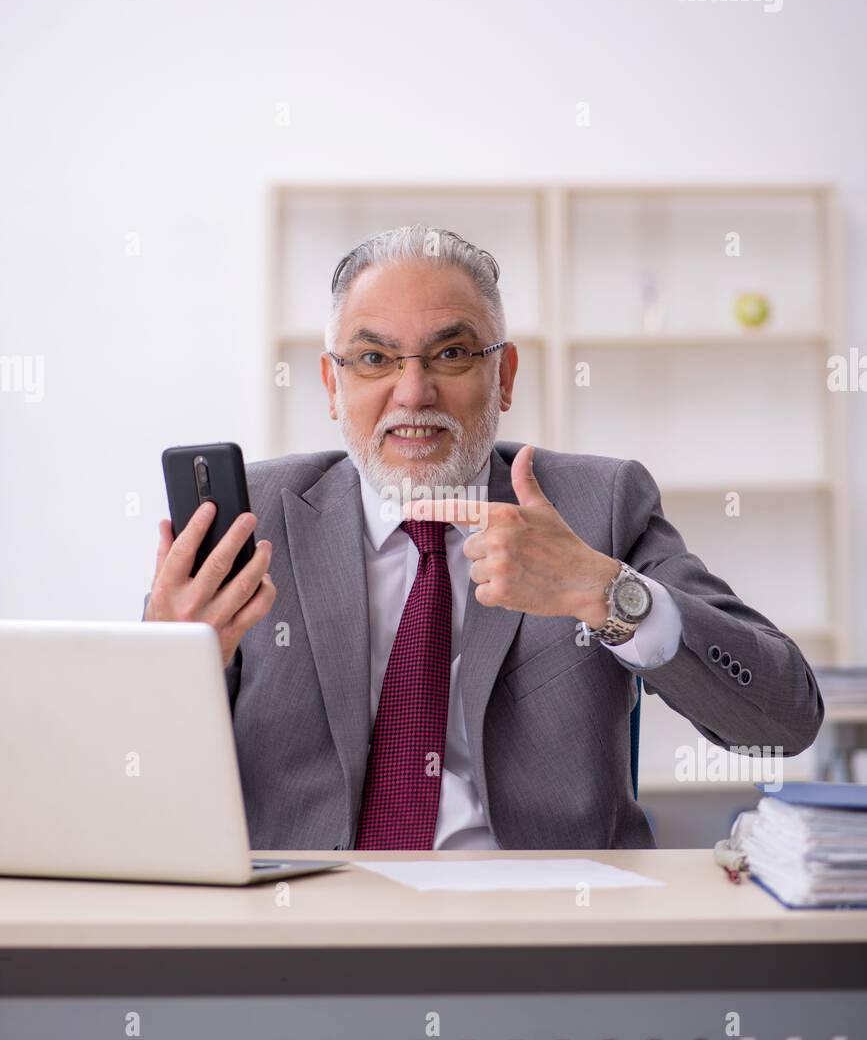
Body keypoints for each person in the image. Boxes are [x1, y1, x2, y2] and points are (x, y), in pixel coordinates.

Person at [144, 225, 824, 850]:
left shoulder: (598, 507)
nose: (413, 393)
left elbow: (784, 720)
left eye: (450, 352)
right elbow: (141, 787)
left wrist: (608, 593)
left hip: (544, 932)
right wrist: (170, 664)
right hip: (304, 934)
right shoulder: (254, 518)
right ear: (331, 384)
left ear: (503, 377)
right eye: (375, 357)